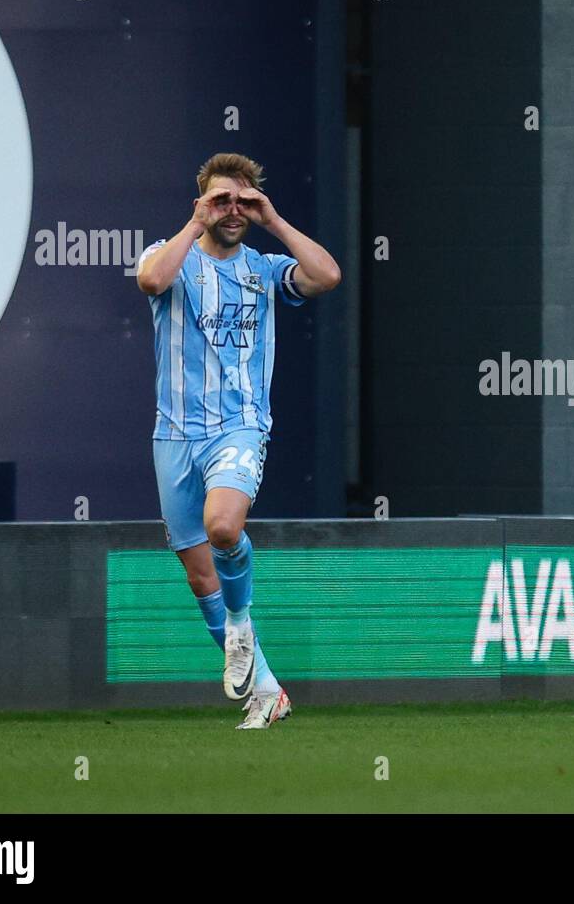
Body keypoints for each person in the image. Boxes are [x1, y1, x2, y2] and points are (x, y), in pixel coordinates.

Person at [135, 152, 341, 729]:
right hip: (173, 434)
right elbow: (150, 280)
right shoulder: (165, 255)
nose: (233, 211)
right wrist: (195, 223)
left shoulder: (265, 268)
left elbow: (326, 276)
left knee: (224, 527)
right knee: (200, 574)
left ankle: (241, 625)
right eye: (222, 200)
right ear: (201, 203)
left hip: (238, 427)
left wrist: (273, 220)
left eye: (242, 202)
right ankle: (268, 692)